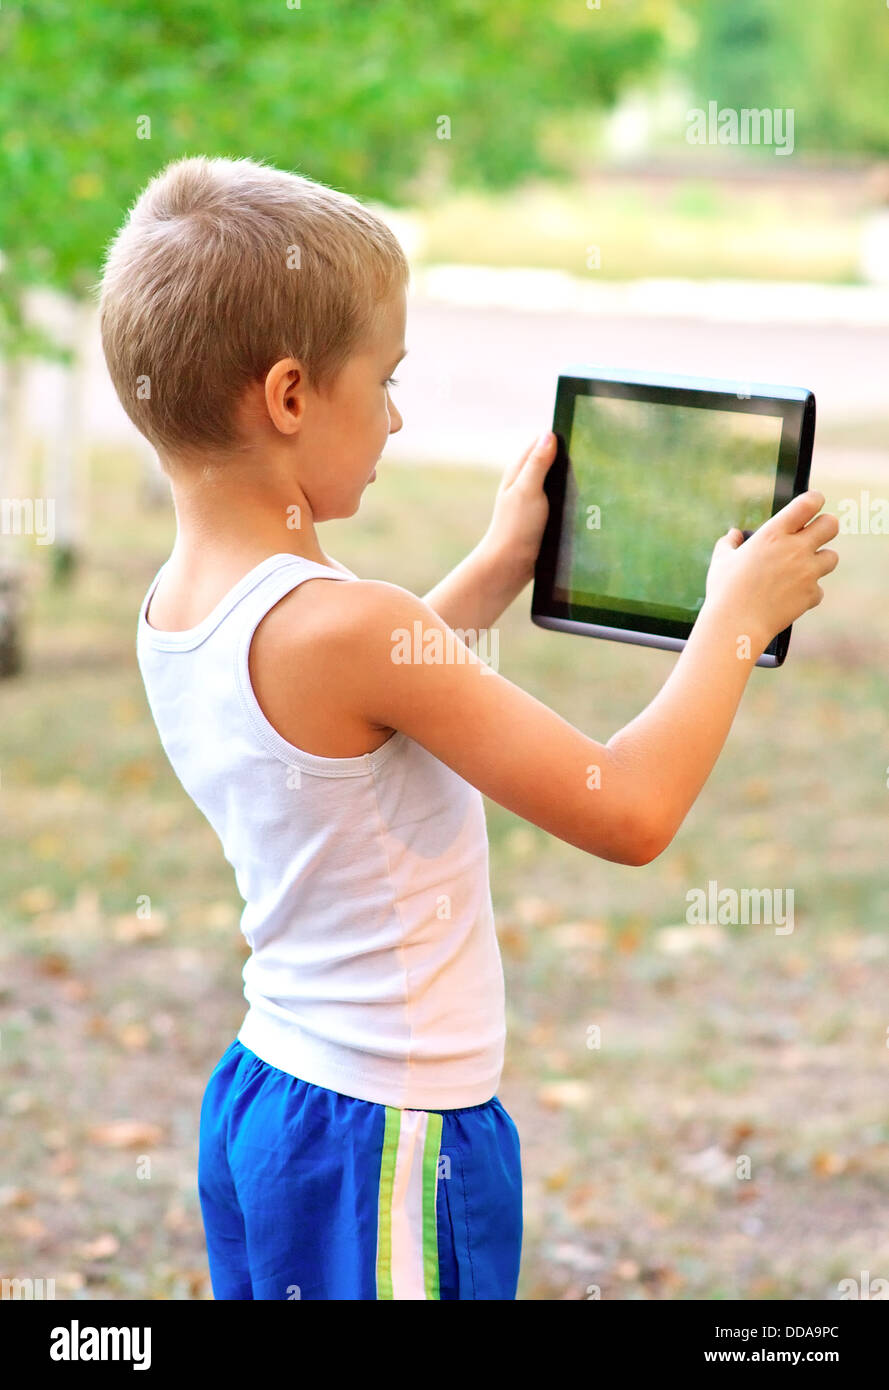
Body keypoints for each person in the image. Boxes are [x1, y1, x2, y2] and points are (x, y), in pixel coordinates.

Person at [97, 155, 839, 1300]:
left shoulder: (183, 604)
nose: (397, 412)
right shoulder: (344, 626)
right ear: (291, 397)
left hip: (272, 1095)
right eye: (383, 379)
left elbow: (354, 718)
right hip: (384, 1134)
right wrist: (733, 620)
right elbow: (628, 809)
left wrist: (497, 563)